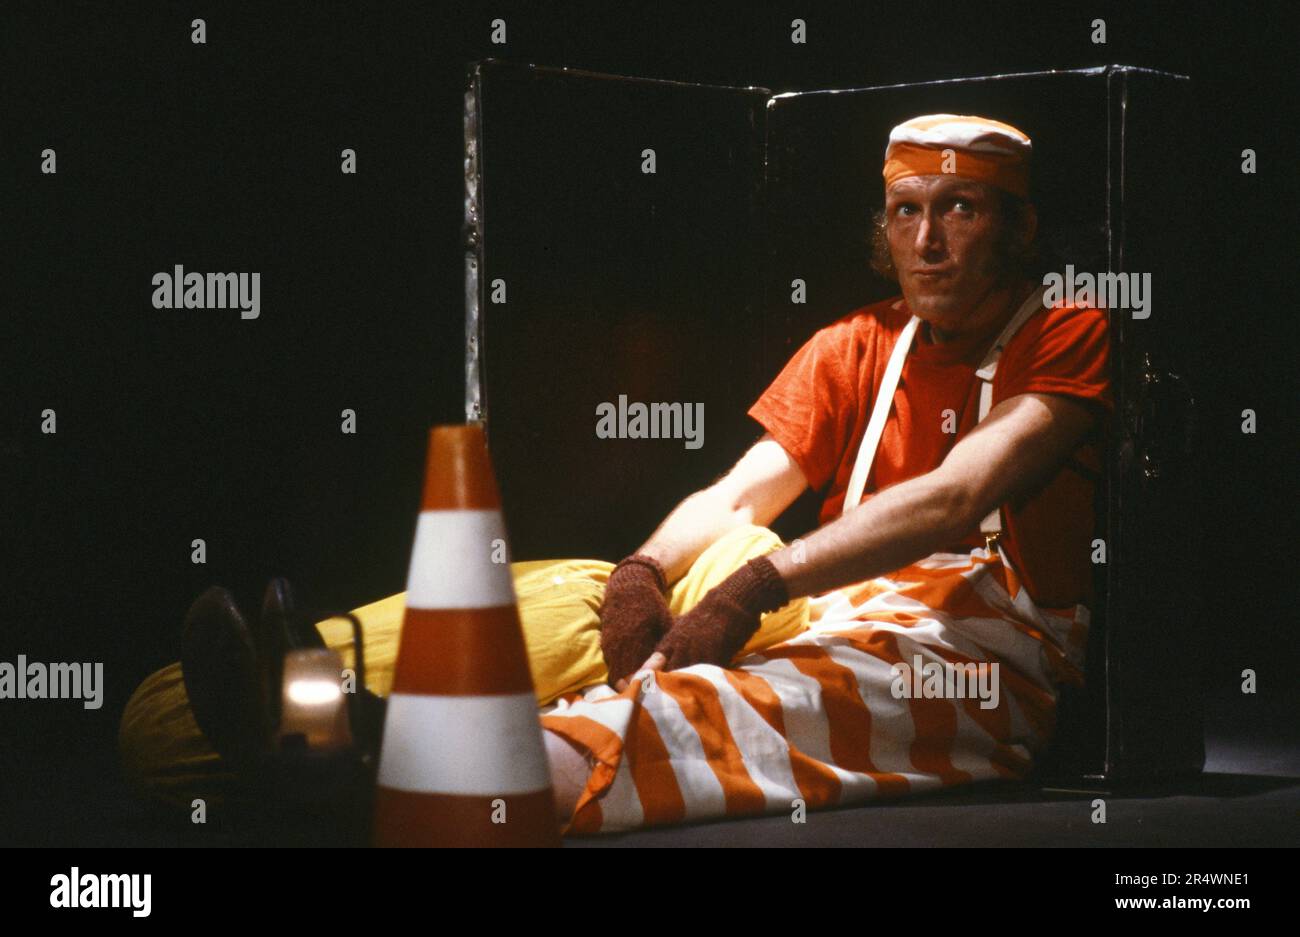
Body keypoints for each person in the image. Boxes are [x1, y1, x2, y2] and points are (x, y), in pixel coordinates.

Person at [119, 113, 1110, 836]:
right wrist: (642, 572)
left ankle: (379, 765)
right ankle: (323, 725)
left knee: (725, 704)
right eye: (906, 211)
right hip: (833, 606)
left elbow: (956, 494)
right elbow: (735, 497)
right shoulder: (857, 342)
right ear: (882, 226)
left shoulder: (1069, 336)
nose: (927, 240)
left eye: (961, 210)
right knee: (607, 619)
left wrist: (755, 586)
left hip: (970, 654)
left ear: (1019, 229)